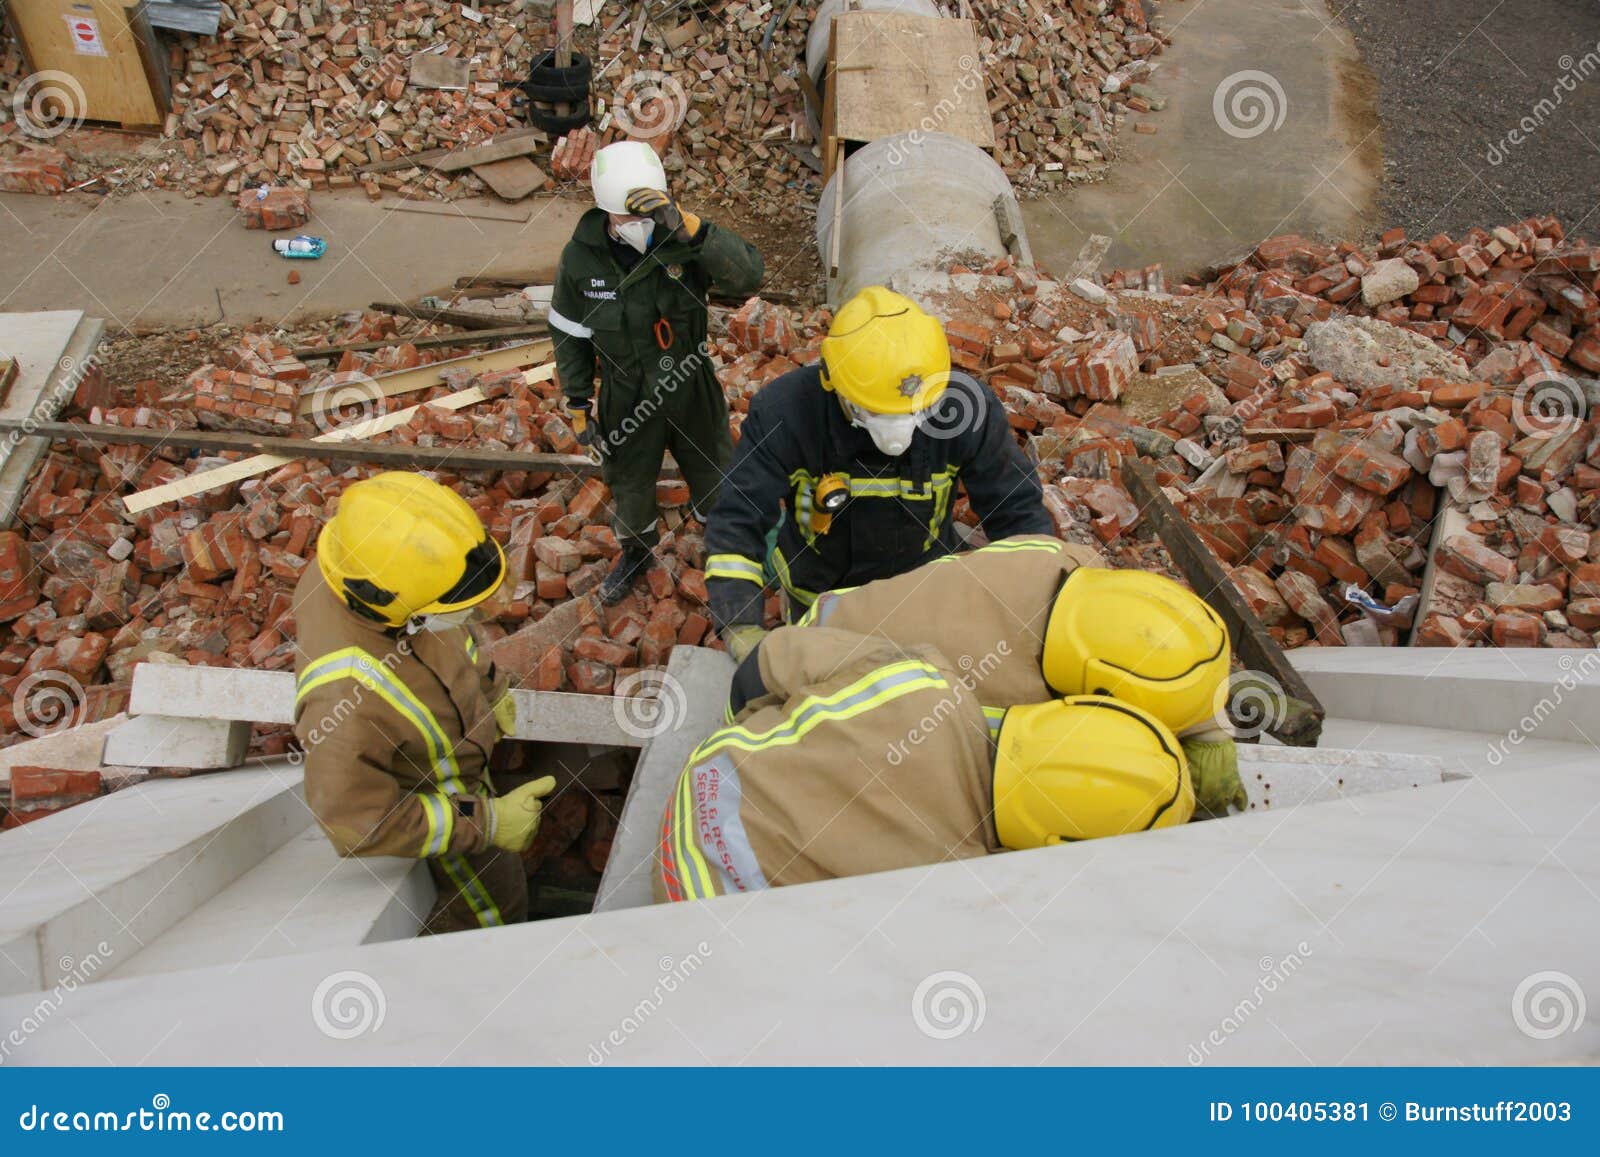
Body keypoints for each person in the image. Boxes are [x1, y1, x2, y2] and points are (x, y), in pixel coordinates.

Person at [654, 626, 1193, 901]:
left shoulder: (927, 680)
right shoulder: (958, 881)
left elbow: (770, 659)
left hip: (711, 769)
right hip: (699, 900)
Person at [726, 538, 1247, 813]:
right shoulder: (981, 695)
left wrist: (1208, 724)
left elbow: (1143, 638)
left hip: (830, 615)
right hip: (782, 690)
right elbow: (1023, 776)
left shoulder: (1063, 559)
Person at [703, 285, 1052, 659]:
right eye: (873, 412)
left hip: (921, 593)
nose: (896, 435)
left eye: (914, 413)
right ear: (832, 382)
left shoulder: (966, 413)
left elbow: (1016, 510)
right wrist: (741, 626)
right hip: (820, 602)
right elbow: (738, 518)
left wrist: (1043, 599)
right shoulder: (786, 415)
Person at [292, 472, 556, 934]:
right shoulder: (345, 704)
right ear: (393, 609)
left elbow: (448, 639)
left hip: (467, 778)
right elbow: (358, 822)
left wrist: (489, 689)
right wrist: (486, 822)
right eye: (448, 610)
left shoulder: (382, 565)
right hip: (445, 833)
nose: (463, 618)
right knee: (491, 916)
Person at [549, 140, 765, 604]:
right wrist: (578, 401)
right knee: (628, 480)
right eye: (627, 220)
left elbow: (748, 275)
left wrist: (692, 229)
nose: (638, 227)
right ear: (606, 212)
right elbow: (570, 334)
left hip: (691, 384)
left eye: (646, 217)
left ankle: (722, 539)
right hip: (626, 393)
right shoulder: (581, 260)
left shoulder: (683, 241)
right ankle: (637, 551)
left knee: (715, 469)